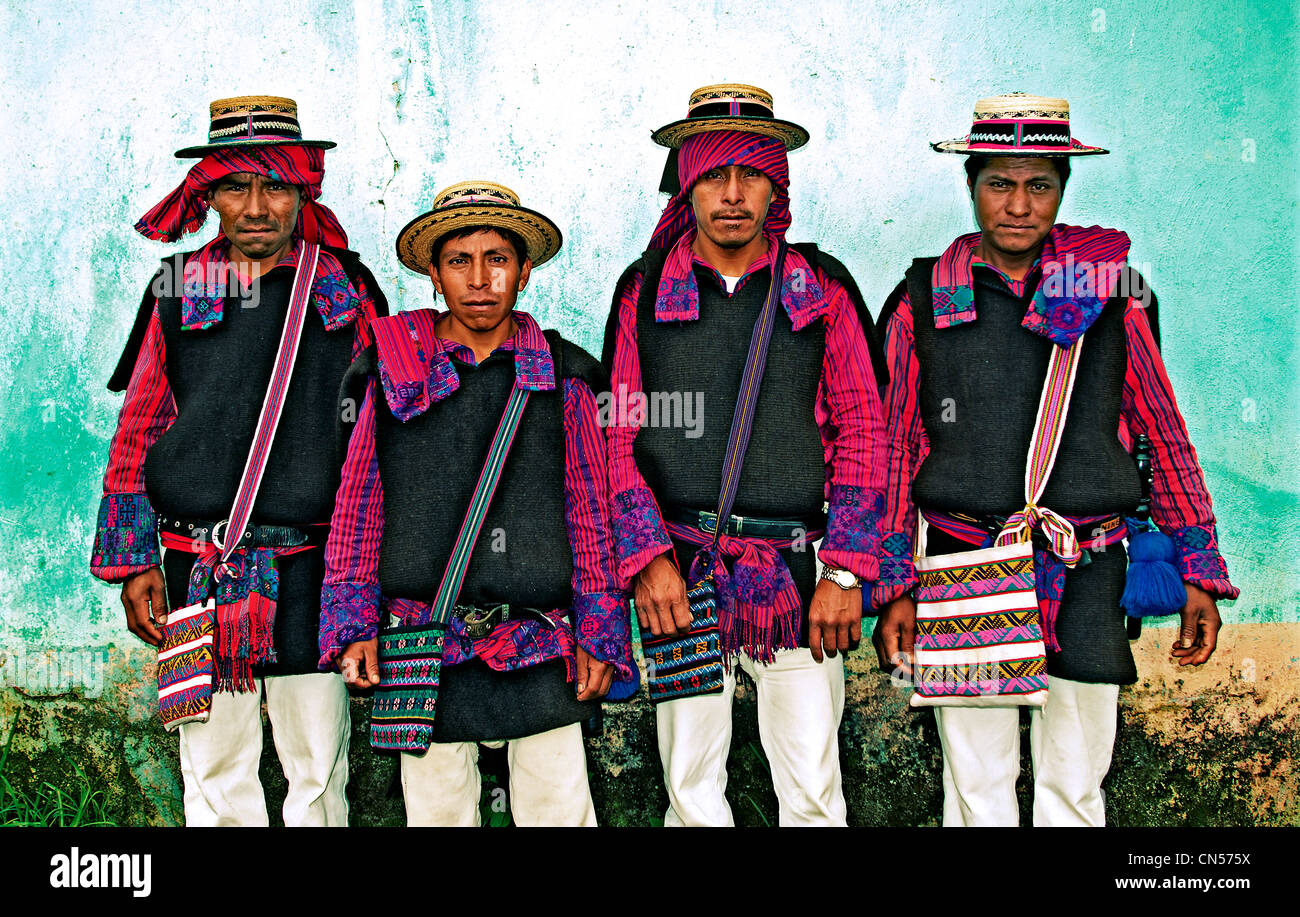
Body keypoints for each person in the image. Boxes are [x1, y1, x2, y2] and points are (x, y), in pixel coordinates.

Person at [872, 93, 1239, 827]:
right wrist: (893, 586)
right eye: (999, 183)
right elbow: (892, 451)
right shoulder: (922, 300)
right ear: (971, 184)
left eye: (1039, 184)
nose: (1018, 205)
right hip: (963, 560)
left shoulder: (1115, 294)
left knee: (1075, 786)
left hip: (1088, 566)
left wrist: (1198, 566)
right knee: (976, 791)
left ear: (1063, 190)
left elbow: (1160, 434)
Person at [90, 95, 387, 826]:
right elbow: (139, 430)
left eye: (276, 185)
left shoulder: (346, 290)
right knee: (214, 767)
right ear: (210, 193)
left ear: (302, 190)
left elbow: (376, 442)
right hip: (199, 569)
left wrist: (367, 577)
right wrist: (135, 562)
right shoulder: (173, 287)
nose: (256, 206)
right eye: (235, 186)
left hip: (312, 569)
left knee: (317, 765)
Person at [604, 84, 888, 826]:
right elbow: (615, 436)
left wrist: (845, 569)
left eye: (752, 174)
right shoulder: (642, 294)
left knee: (814, 790)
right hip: (681, 576)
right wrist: (647, 559)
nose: (733, 195)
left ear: (776, 185)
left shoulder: (819, 290)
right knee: (691, 789)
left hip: (798, 579)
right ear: (687, 183)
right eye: (713, 175)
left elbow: (864, 427)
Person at [319, 180, 637, 826]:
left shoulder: (564, 377)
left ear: (524, 270)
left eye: (497, 258)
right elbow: (359, 507)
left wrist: (600, 630)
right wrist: (353, 628)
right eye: (459, 260)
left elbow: (588, 510)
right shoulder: (395, 372)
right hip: (424, 643)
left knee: (559, 811)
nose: (480, 279)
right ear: (434, 274)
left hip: (541, 644)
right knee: (436, 814)